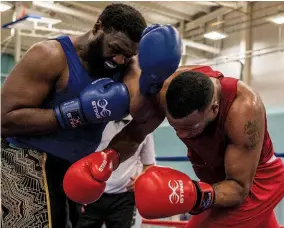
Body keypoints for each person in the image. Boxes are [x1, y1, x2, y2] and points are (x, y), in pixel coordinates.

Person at [1, 2, 182, 227]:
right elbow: (5, 120)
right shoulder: (51, 55)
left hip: (76, 172)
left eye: (127, 55)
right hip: (23, 161)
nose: (118, 60)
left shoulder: (127, 65)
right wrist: (76, 113)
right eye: (115, 48)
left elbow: (141, 112)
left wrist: (153, 80)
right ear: (98, 28)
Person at [133, 65, 284, 228]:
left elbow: (238, 187)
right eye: (175, 127)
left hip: (256, 184)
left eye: (190, 128)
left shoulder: (243, 109)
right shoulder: (167, 88)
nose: (181, 135)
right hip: (220, 181)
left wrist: (196, 195)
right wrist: (111, 157)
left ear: (214, 109)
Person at [76, 116, 156, 228]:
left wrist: (141, 178)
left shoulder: (143, 127)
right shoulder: (97, 121)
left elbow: (149, 165)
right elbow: (80, 157)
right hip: (92, 196)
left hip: (123, 198)